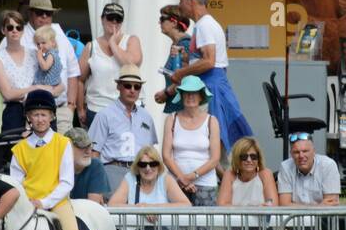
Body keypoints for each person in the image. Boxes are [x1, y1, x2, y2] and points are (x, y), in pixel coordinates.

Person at [10, 89, 88, 230]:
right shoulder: (20, 149)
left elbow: (66, 182)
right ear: (28, 117)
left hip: (57, 202)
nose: (40, 119)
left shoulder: (63, 144)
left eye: (44, 114)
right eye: (35, 114)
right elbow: (16, 183)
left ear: (52, 117)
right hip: (28, 204)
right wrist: (28, 202)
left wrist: (43, 202)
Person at [168, 0, 251, 152]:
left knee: (210, 142)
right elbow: (206, 59)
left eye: (181, 0)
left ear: (191, 1)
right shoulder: (205, 24)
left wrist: (181, 72)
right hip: (211, 85)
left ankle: (222, 177)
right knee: (213, 140)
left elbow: (209, 61)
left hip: (210, 86)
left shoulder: (205, 25)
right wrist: (188, 59)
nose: (179, 5)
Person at [88, 68, 158, 194]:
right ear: (118, 86)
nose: (132, 90)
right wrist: (96, 186)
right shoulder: (104, 115)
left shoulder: (146, 117)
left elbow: (151, 152)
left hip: (142, 172)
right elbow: (94, 154)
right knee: (114, 210)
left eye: (137, 87)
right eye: (127, 85)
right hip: (113, 170)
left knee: (141, 211)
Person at [0, 12, 60, 138]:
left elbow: (56, 81)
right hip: (15, 112)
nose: (15, 31)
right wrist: (37, 88)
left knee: (47, 153)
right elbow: (8, 94)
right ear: (3, 30)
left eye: (19, 27)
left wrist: (54, 91)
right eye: (10, 27)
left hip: (41, 109)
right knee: (14, 154)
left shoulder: (35, 53)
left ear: (23, 30)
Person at [78, 2, 141, 131]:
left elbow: (131, 63)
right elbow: (79, 79)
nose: (114, 22)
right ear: (102, 19)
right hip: (97, 108)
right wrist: (80, 109)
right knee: (97, 150)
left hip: (128, 109)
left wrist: (112, 43)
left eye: (118, 19)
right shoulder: (91, 46)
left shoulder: (131, 40)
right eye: (110, 18)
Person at [21, 0, 81, 132]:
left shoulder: (60, 36)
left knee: (62, 151)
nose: (44, 16)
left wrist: (71, 105)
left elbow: (73, 72)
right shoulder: (20, 36)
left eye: (48, 13)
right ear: (31, 14)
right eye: (39, 12)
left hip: (60, 109)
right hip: (33, 112)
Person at [162, 74, 220, 206]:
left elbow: (215, 159)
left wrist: (190, 177)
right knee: (176, 226)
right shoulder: (171, 119)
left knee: (204, 226)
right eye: (186, 93)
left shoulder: (212, 121)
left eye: (194, 92)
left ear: (201, 96)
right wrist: (181, 178)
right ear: (181, 96)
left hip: (206, 184)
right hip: (176, 184)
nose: (190, 96)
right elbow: (166, 156)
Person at [107, 142, 190, 207]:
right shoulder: (130, 178)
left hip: (163, 228)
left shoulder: (166, 179)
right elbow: (112, 204)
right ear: (137, 167)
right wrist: (140, 209)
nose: (148, 168)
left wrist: (152, 208)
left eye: (153, 164)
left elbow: (186, 205)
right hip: (136, 228)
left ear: (159, 165)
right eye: (143, 165)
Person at [277, 132, 340, 205]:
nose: (301, 156)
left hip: (321, 216)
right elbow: (284, 204)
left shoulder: (328, 165)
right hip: (296, 216)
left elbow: (332, 203)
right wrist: (317, 207)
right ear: (291, 154)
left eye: (305, 151)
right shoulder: (285, 167)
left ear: (314, 151)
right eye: (296, 152)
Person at [217, 136, 278, 206]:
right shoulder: (229, 175)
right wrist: (256, 209)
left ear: (258, 158)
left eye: (253, 157)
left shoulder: (265, 174)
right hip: (236, 217)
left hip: (261, 217)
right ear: (237, 159)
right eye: (244, 157)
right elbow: (222, 205)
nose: (249, 160)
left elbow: (273, 205)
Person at [153, 5, 192, 115]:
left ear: (174, 23)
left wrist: (166, 93)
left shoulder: (185, 45)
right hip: (178, 106)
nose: (159, 23)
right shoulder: (178, 44)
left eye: (162, 19)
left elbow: (185, 79)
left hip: (184, 108)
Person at [67, 127, 108, 203]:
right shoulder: (56, 165)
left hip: (87, 213)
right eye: (82, 147)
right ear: (67, 148)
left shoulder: (95, 165)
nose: (88, 151)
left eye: (90, 146)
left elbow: (93, 205)